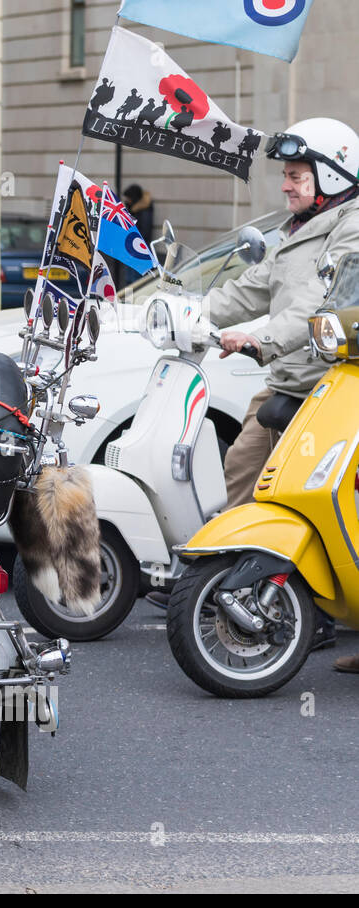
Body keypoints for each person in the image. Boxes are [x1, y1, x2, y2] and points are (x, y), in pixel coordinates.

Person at [194, 118, 359, 667]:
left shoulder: (350, 227)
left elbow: (317, 306)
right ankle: (234, 591)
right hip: (287, 384)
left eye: (295, 175)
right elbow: (252, 288)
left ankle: (319, 611)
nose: (285, 186)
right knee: (242, 471)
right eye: (285, 176)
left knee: (333, 506)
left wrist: (260, 339)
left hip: (333, 393)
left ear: (332, 176)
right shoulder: (297, 228)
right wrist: (187, 312)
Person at [121, 184, 154, 285]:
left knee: (135, 280)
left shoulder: (143, 210)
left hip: (138, 249)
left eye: (128, 198)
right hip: (131, 247)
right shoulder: (134, 209)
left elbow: (144, 231)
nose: (127, 201)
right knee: (129, 279)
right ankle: (128, 299)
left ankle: (132, 300)